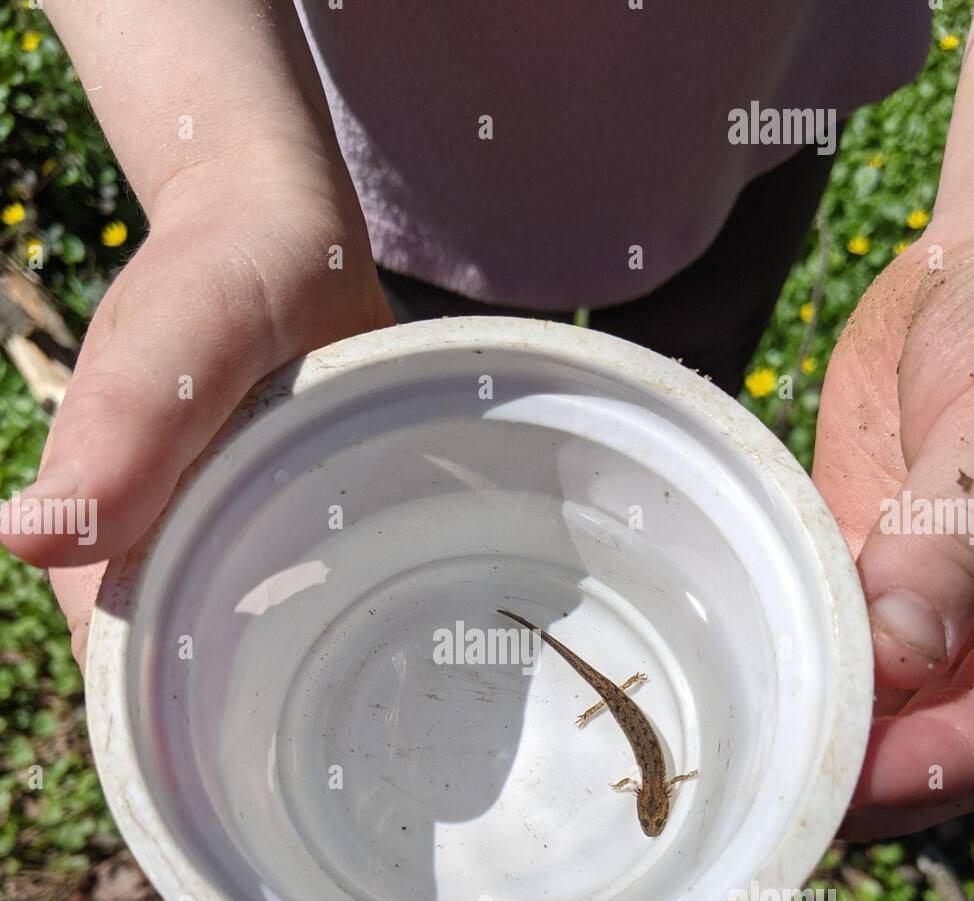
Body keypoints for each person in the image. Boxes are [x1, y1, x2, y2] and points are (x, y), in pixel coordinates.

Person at [1, 1, 970, 839]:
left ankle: (638, 487)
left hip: (765, 103)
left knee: (685, 390)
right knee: (453, 419)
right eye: (650, 803)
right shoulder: (653, 763)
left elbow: (636, 742)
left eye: (653, 802)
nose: (652, 795)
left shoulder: (647, 768)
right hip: (406, 177)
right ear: (651, 796)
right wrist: (236, 173)